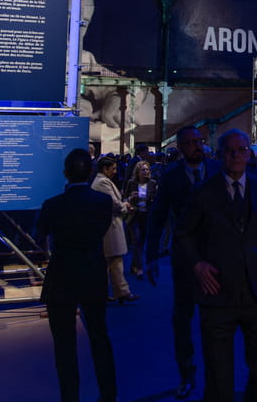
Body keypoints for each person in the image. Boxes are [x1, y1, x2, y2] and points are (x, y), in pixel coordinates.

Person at [174, 129, 257, 402]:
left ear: (249, 153)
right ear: (220, 154)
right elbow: (183, 233)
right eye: (230, 151)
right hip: (217, 292)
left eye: (241, 150)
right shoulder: (203, 192)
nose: (236, 156)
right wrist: (197, 264)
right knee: (218, 374)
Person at [34, 148, 118, 402]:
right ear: (90, 172)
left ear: (64, 174)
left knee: (64, 347)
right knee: (99, 339)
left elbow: (39, 237)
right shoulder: (102, 203)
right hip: (92, 275)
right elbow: (102, 231)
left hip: (61, 277)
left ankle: (70, 397)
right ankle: (108, 396)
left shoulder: (52, 205)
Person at [145, 126, 221, 399]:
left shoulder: (217, 169)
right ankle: (186, 374)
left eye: (199, 141)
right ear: (180, 147)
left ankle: (217, 376)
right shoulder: (171, 177)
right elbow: (157, 217)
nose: (196, 147)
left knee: (217, 320)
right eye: (190, 143)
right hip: (185, 260)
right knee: (183, 319)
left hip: (218, 258)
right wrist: (150, 256)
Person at [91, 155, 139, 304]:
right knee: (114, 260)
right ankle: (120, 292)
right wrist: (126, 205)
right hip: (109, 226)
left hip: (110, 226)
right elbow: (114, 204)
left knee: (111, 261)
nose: (115, 171)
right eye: (113, 169)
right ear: (105, 169)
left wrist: (124, 203)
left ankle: (113, 292)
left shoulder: (102, 181)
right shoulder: (102, 182)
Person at [124, 159, 157, 277]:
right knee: (136, 241)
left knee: (141, 242)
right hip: (134, 215)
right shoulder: (131, 183)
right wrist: (130, 198)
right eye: (143, 170)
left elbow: (156, 200)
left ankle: (134, 264)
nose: (146, 172)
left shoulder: (152, 183)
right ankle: (139, 268)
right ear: (137, 172)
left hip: (146, 216)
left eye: (147, 169)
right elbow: (124, 198)